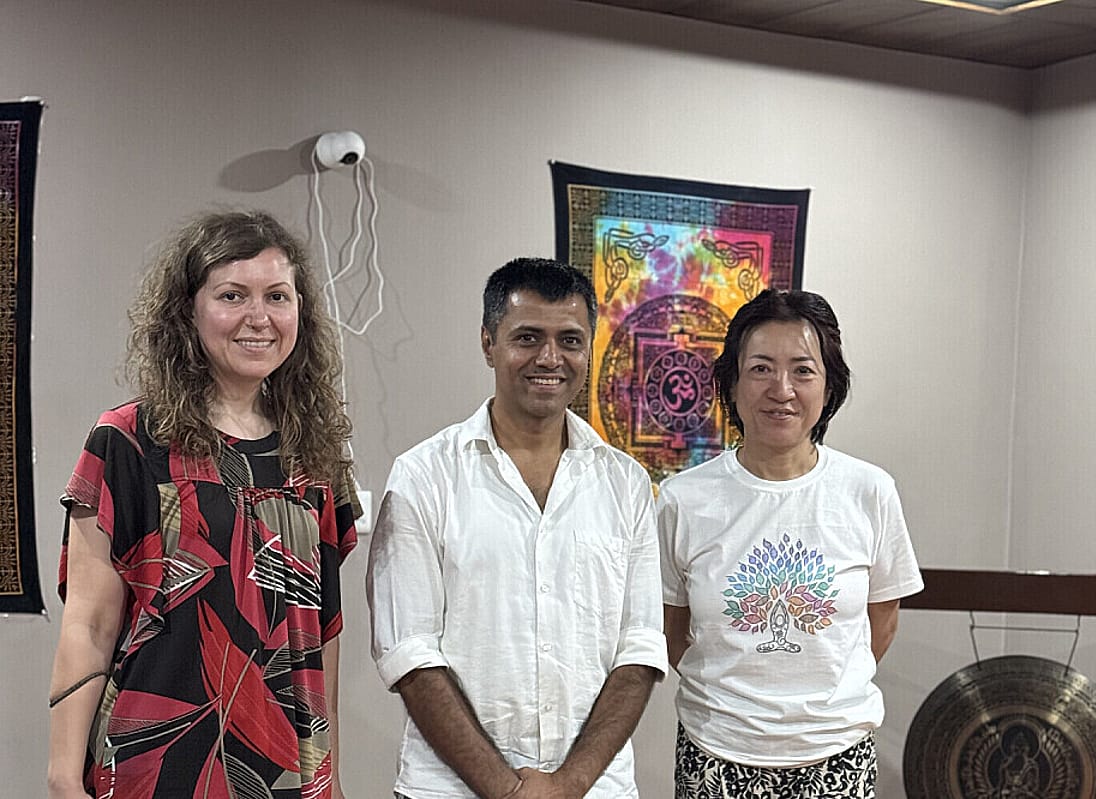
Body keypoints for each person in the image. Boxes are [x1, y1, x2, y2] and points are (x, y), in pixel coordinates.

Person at [46, 210, 359, 799]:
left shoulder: (314, 457)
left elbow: (321, 636)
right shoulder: (127, 441)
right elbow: (88, 624)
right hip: (153, 763)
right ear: (188, 310)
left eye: (277, 296)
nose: (258, 318)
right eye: (232, 295)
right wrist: (64, 774)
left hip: (286, 765)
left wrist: (329, 772)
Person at [367, 257, 668, 799]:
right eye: (527, 337)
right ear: (488, 343)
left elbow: (640, 650)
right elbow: (410, 655)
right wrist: (508, 791)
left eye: (570, 340)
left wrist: (569, 784)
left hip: (594, 791)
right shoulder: (424, 476)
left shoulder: (626, 483)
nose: (549, 358)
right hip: (450, 791)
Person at [657, 289, 923, 798]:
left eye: (802, 370)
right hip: (716, 751)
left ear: (829, 386)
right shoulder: (682, 499)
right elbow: (673, 630)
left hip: (836, 754)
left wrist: (820, 698)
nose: (781, 389)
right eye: (760, 369)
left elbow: (881, 620)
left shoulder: (869, 491)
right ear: (732, 383)